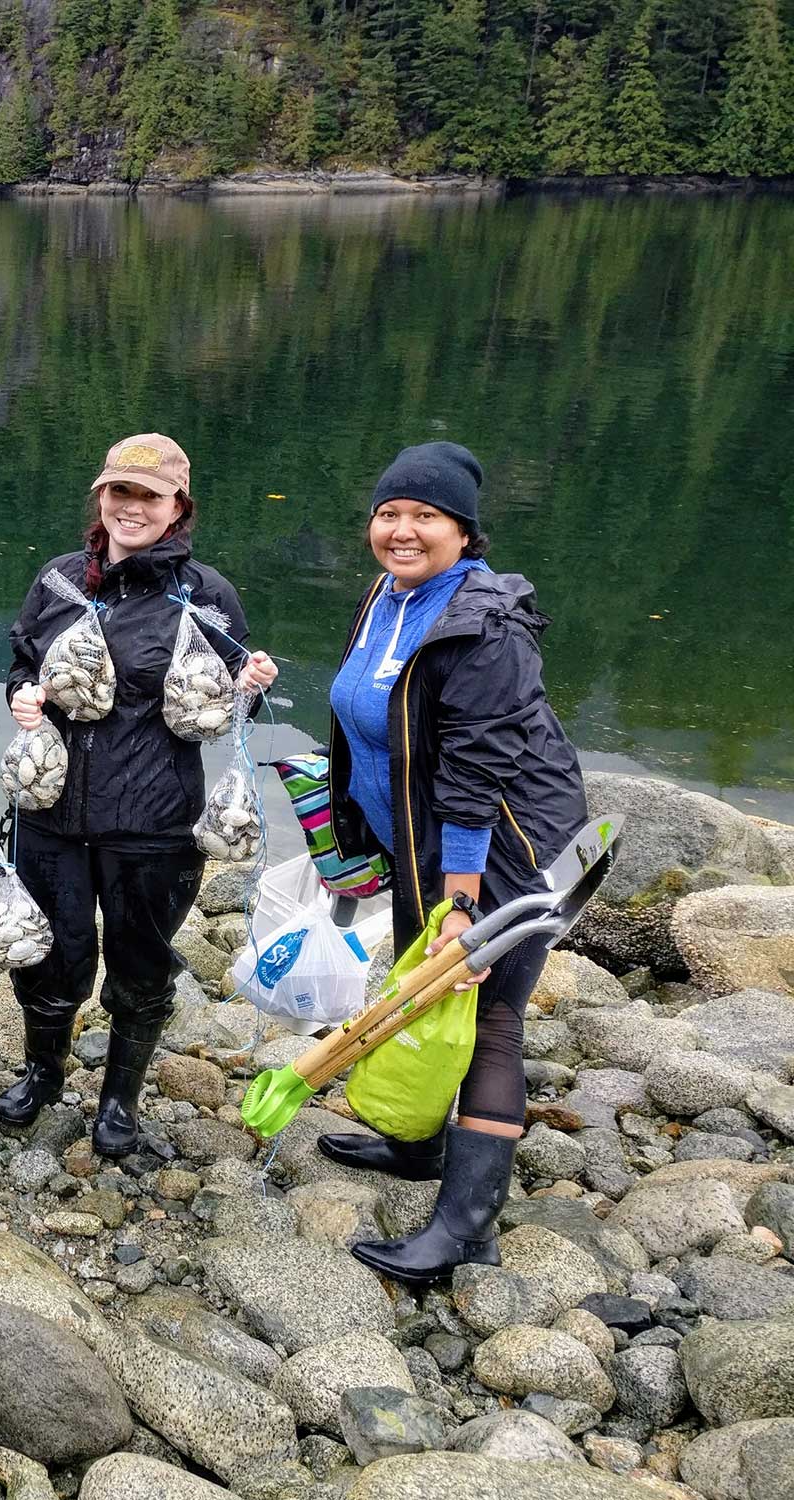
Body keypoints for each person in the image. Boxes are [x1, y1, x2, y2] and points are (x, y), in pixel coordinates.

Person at [319, 441, 587, 1283]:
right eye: (389, 513)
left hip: (509, 848)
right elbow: (376, 722)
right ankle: (419, 1147)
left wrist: (462, 908)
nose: (402, 530)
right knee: (421, 988)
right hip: (422, 841)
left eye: (425, 517)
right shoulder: (389, 596)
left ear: (465, 534)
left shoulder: (484, 626)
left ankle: (467, 1228)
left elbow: (473, 777)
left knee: (487, 1018)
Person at [0, 435, 278, 1157]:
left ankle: (119, 1101)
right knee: (48, 956)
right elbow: (21, 664)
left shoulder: (205, 595)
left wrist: (254, 681)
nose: (131, 507)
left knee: (140, 960)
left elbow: (226, 700)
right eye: (120, 492)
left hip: (153, 823)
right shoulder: (60, 581)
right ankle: (42, 1074)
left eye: (149, 496)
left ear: (177, 506)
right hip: (51, 813)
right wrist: (24, 696)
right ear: (101, 498)